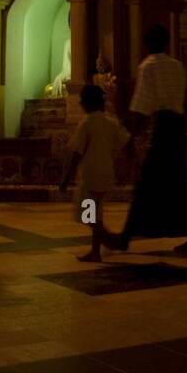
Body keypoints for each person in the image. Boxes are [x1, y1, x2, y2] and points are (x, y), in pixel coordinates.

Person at [103, 24, 187, 256]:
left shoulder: (148, 66)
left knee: (145, 184)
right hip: (177, 127)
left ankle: (125, 238)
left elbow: (143, 105)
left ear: (147, 44)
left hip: (162, 128)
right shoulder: (177, 66)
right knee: (182, 184)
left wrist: (131, 138)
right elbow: (183, 98)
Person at [59, 85, 129, 262]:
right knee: (95, 214)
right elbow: (125, 141)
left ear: (84, 103)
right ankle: (100, 247)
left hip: (90, 178)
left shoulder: (87, 123)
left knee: (88, 216)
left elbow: (77, 153)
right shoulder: (109, 122)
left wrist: (66, 178)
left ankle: (108, 242)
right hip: (105, 175)